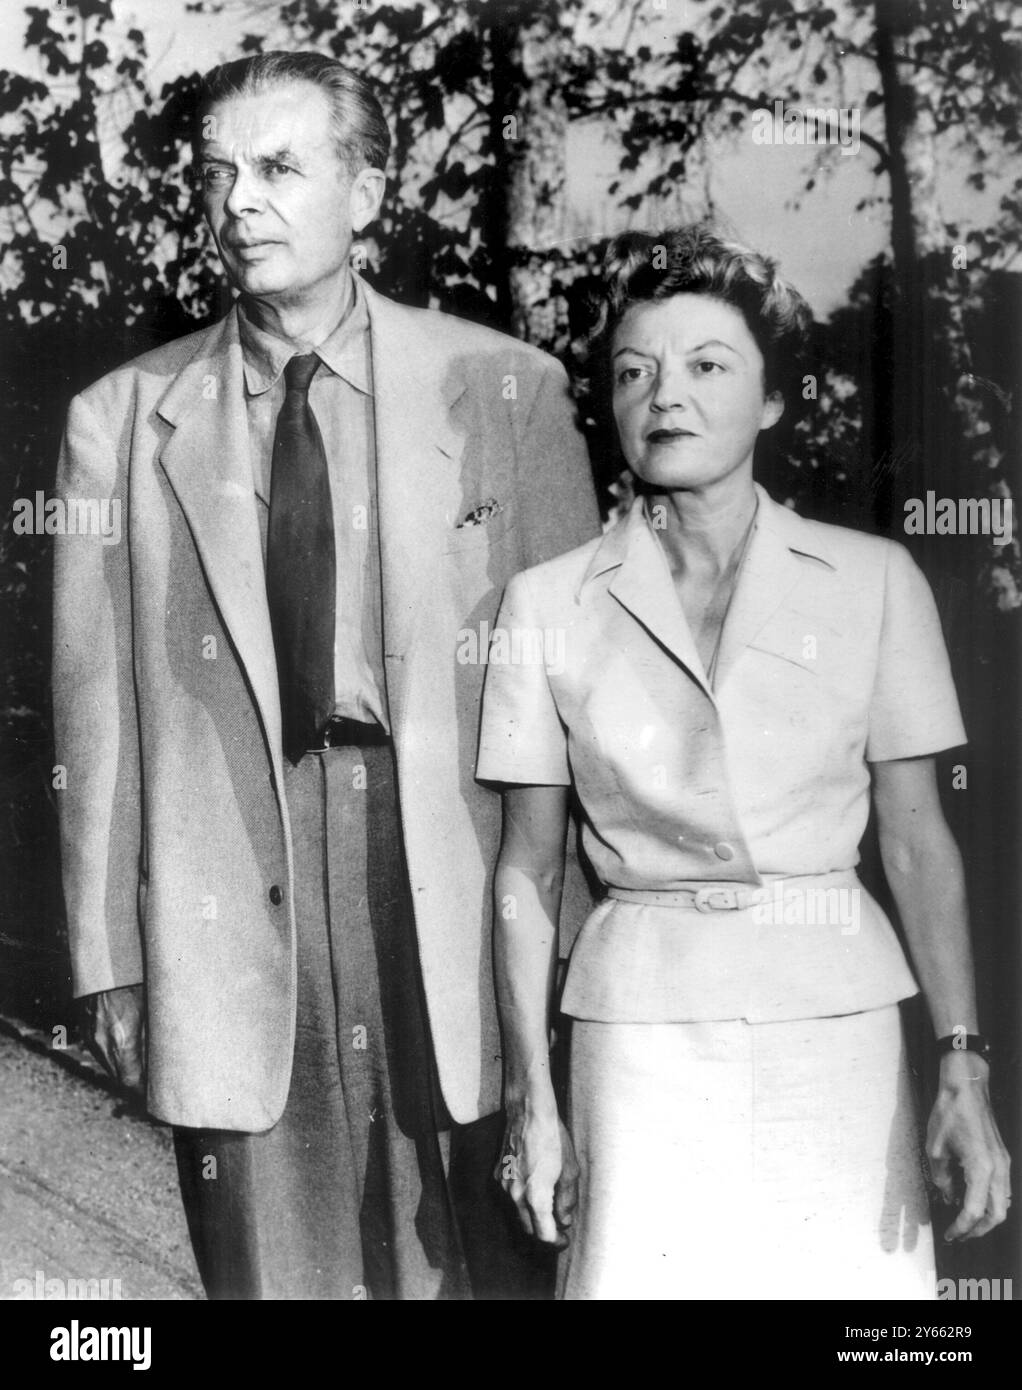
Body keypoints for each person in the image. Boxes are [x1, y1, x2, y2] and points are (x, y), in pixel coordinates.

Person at [52, 50, 599, 1300]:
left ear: (367, 193)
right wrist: (108, 952)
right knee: (273, 1272)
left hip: (458, 863)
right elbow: (96, 718)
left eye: (280, 168)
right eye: (217, 174)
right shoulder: (122, 421)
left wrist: (582, 933)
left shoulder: (506, 391)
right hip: (229, 877)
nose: (237, 201)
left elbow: (582, 697)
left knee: (491, 1250)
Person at [476, 225, 1011, 1300]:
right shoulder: (543, 603)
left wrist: (961, 1060)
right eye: (634, 372)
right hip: (635, 1039)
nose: (662, 395)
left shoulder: (873, 582)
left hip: (836, 1027)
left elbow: (914, 841)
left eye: (706, 366)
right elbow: (526, 872)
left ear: (771, 400)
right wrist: (531, 1097)